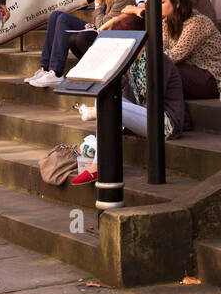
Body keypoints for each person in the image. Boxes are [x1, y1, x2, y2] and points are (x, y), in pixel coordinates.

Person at [71, 13, 185, 186]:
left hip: (164, 122)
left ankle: (98, 166)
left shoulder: (157, 60)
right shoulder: (132, 60)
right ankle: (98, 161)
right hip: (144, 115)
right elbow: (128, 96)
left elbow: (153, 100)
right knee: (104, 99)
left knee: (114, 108)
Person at [27, 0, 133, 88]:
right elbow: (99, 23)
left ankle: (56, 72)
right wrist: (93, 24)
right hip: (101, 32)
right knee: (56, 15)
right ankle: (45, 69)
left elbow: (103, 26)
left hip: (113, 40)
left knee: (64, 20)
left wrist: (97, 3)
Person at [161, 0, 221, 98]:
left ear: (177, 3)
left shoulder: (197, 23)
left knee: (161, 71)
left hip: (213, 79)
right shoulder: (167, 21)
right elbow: (163, 49)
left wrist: (144, 58)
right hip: (188, 71)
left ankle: (170, 114)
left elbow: (175, 56)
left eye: (162, 2)